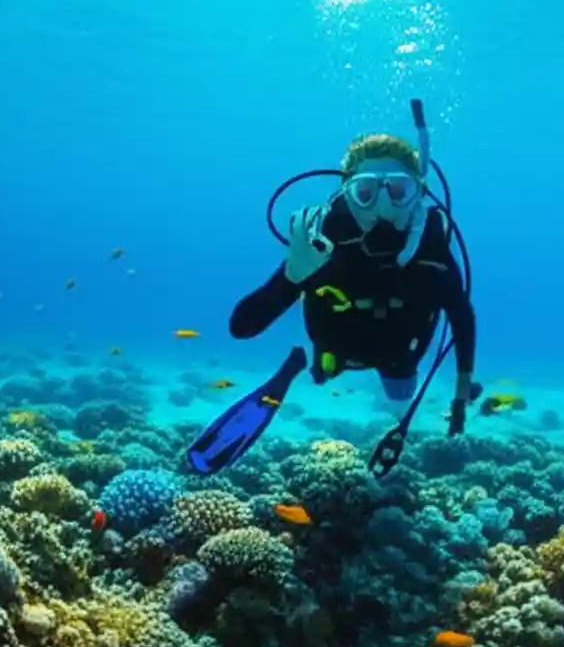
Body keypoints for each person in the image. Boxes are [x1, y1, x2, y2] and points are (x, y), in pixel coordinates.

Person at [185, 101, 479, 479]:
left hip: (399, 355)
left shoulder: (431, 246)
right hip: (335, 347)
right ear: (346, 192)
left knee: (400, 396)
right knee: (326, 370)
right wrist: (293, 276)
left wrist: (460, 395)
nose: (384, 207)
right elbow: (242, 327)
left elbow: (461, 316)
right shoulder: (323, 239)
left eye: (399, 190)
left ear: (417, 193)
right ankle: (314, 365)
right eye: (367, 192)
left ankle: (354, 375)